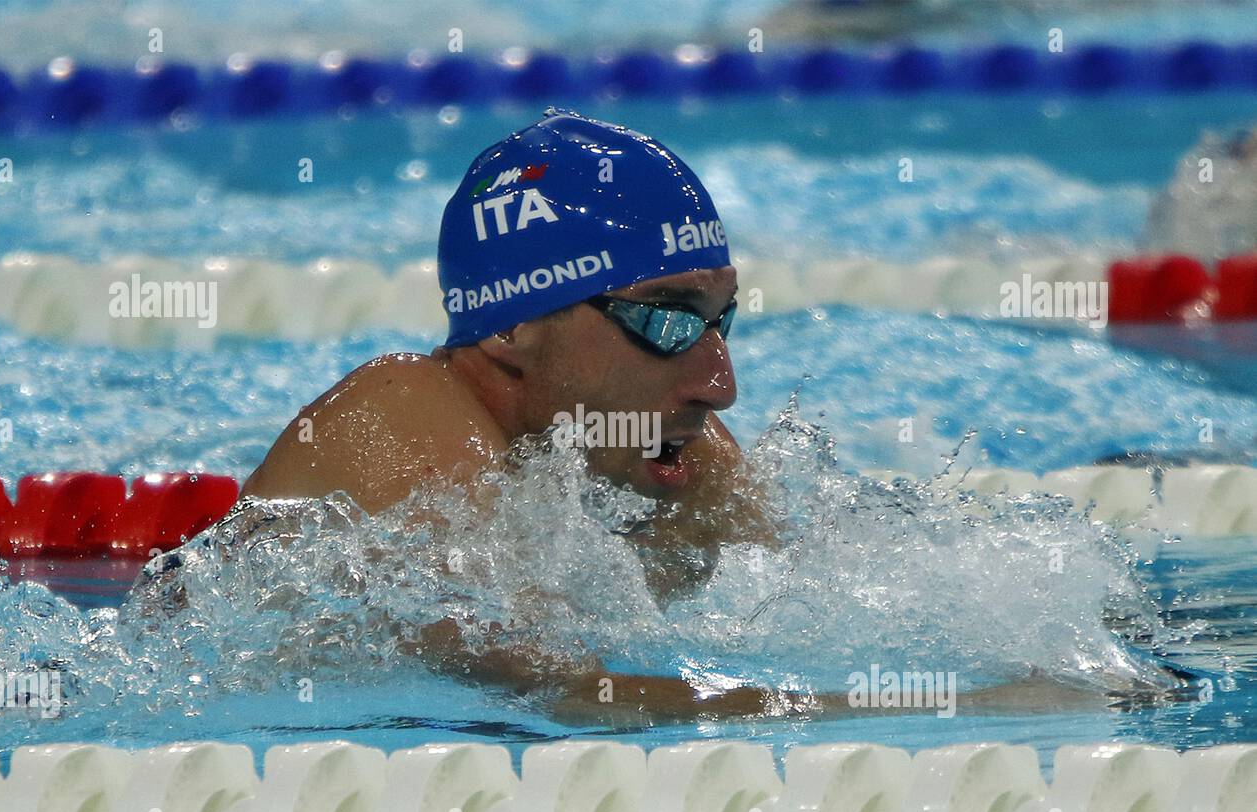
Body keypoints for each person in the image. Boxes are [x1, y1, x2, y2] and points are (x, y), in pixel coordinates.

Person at [241, 109, 1119, 724]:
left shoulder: (665, 455)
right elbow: (571, 695)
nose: (718, 383)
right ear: (512, 325)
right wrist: (958, 708)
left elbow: (834, 601)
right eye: (665, 319)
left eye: (720, 321)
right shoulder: (402, 418)